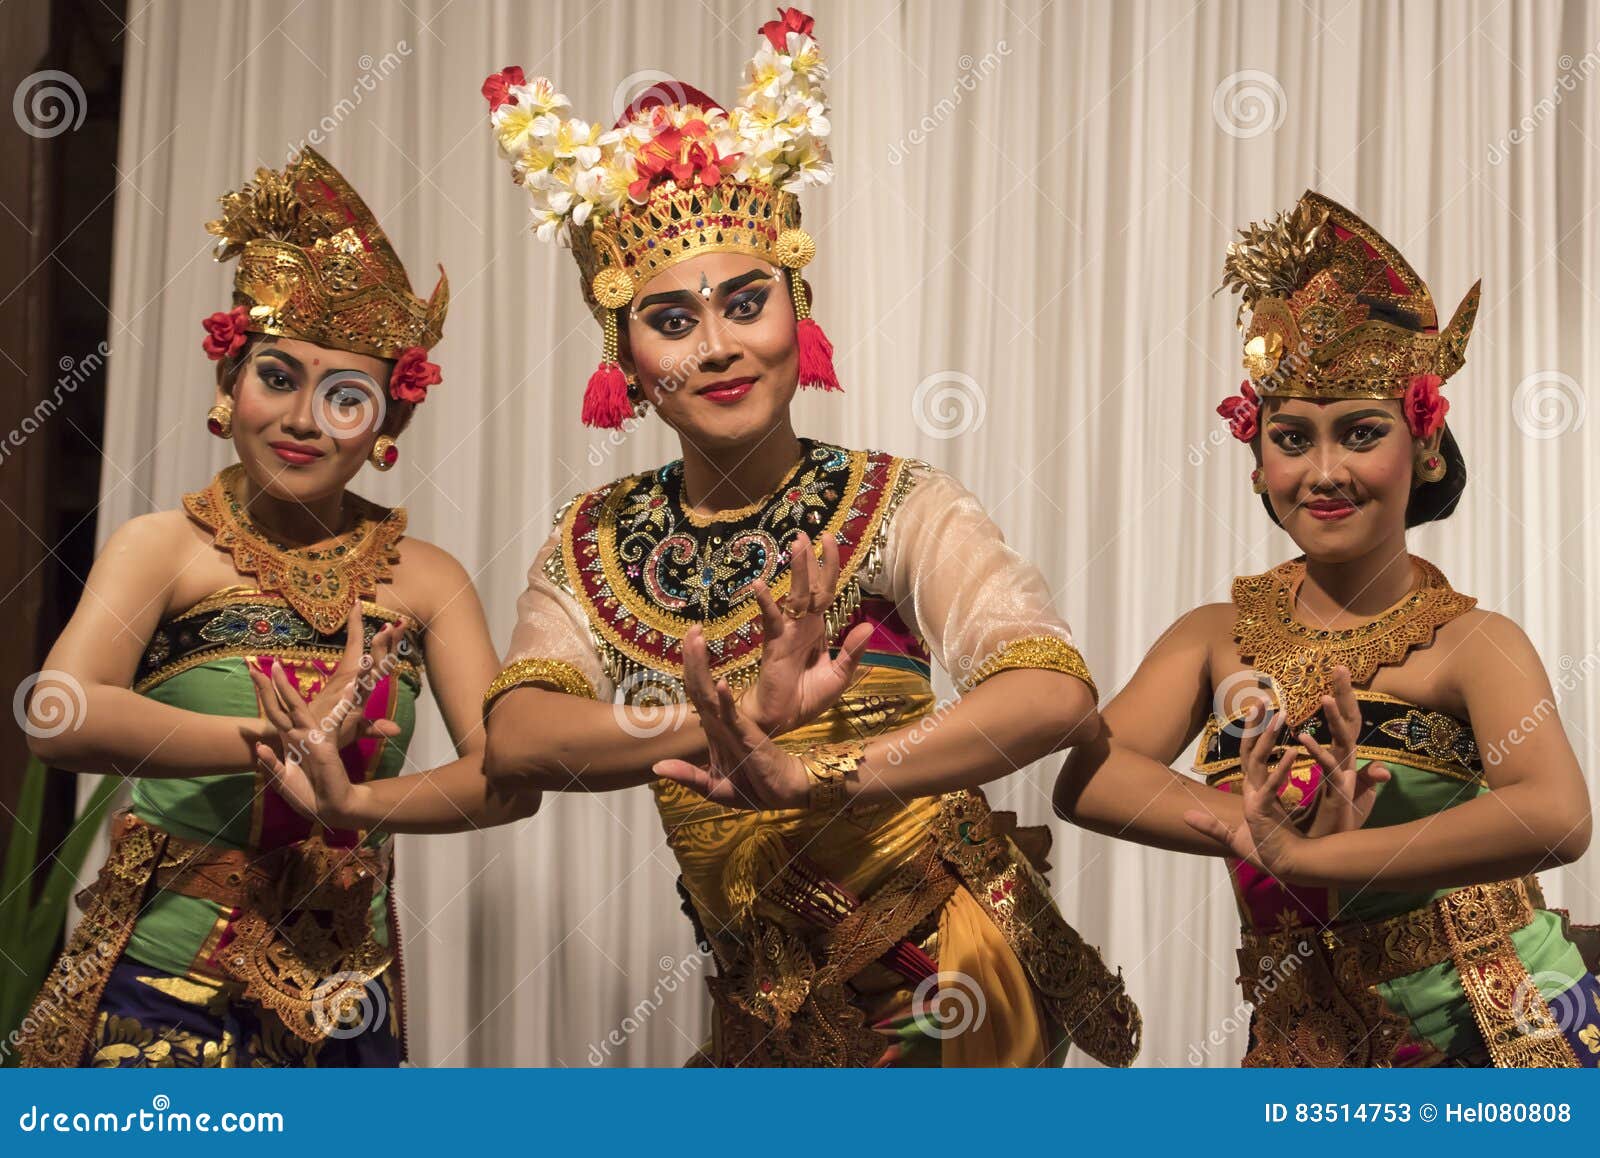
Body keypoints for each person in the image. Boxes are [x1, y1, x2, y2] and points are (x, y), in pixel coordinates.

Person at [474, 8, 1141, 1067]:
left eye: (747, 302)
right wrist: (735, 719)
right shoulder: (597, 542)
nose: (720, 346)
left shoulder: (895, 502)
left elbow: (1050, 695)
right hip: (763, 1007)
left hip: (950, 982)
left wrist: (826, 775)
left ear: (799, 309)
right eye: (674, 320)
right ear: (625, 353)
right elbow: (518, 735)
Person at [1055, 191, 1600, 1066]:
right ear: (1256, 456)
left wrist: (1324, 862)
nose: (1325, 471)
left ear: (1424, 446)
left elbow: (1557, 814)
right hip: (1306, 1044)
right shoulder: (1212, 637)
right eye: (1292, 438)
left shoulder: (1472, 643)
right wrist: (1247, 829)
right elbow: (1090, 778)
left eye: (1360, 433)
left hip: (1502, 1029)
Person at [18, 147, 536, 1067]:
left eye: (346, 396)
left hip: (346, 1005)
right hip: (160, 993)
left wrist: (357, 796)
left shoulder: (428, 580)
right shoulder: (164, 547)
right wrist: (275, 743)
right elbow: (56, 714)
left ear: (387, 424)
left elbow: (510, 779)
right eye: (278, 377)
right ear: (228, 387)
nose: (304, 419)